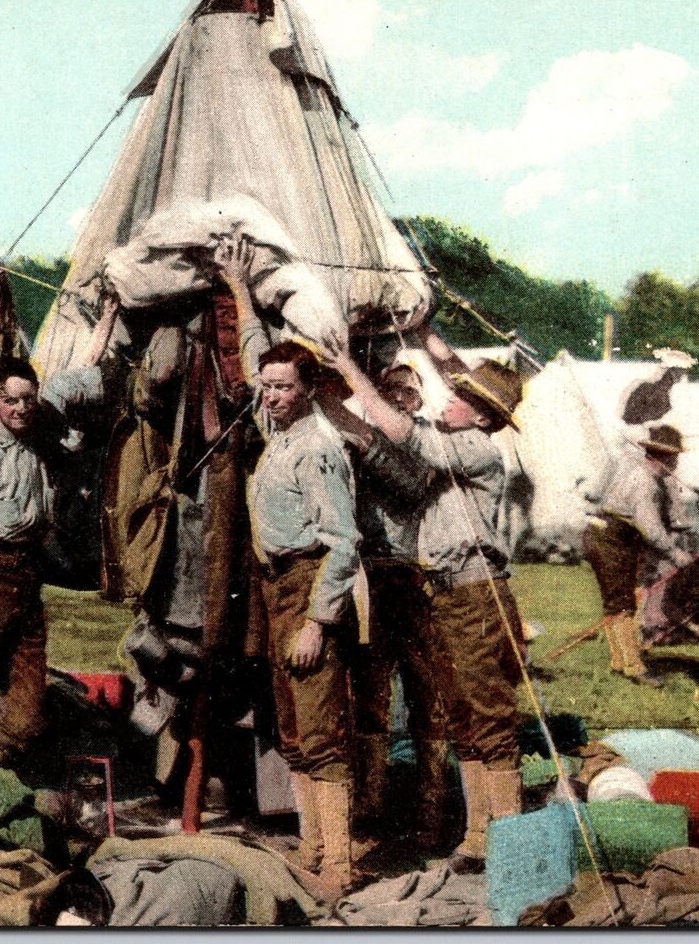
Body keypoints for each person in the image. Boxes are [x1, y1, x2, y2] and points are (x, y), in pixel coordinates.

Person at [330, 331, 527, 875]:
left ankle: (503, 837)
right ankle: (477, 835)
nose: (448, 402)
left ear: (482, 416)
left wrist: (349, 369)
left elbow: (400, 432)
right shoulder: (463, 439)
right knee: (464, 714)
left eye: (460, 399)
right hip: (447, 591)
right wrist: (430, 343)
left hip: (475, 591)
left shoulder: (477, 449)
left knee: (487, 715)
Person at [217, 241, 362, 895]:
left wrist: (318, 621)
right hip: (275, 588)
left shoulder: (316, 448)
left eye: (284, 387)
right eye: (268, 387)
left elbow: (345, 541)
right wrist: (240, 288)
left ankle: (341, 862)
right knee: (296, 727)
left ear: (308, 392)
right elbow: (255, 356)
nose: (271, 394)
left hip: (308, 584)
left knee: (324, 728)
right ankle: (312, 844)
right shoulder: (275, 425)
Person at [0, 310, 120, 789]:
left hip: (25, 584)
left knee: (28, 719)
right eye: (10, 400)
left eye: (27, 400)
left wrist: (105, 326)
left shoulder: (40, 440)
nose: (20, 408)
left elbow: (74, 379)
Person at [317, 362, 449, 851]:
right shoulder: (356, 441)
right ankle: (371, 809)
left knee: (425, 695)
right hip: (371, 576)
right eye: (387, 389)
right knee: (370, 696)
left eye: (406, 392)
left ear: (418, 402)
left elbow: (410, 483)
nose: (396, 397)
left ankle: (429, 814)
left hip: (417, 578)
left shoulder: (430, 443)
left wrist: (358, 432)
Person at [580, 424, 693, 688]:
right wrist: (675, 553)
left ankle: (620, 661)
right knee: (622, 605)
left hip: (610, 539)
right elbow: (651, 529)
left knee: (618, 603)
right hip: (610, 541)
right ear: (663, 458)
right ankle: (634, 666)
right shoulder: (645, 484)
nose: (676, 463)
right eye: (674, 458)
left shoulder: (648, 478)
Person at [622, 348, 696, 426]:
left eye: (683, 372)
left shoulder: (662, 395)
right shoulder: (649, 391)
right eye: (680, 371)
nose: (682, 375)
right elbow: (632, 419)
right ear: (671, 372)